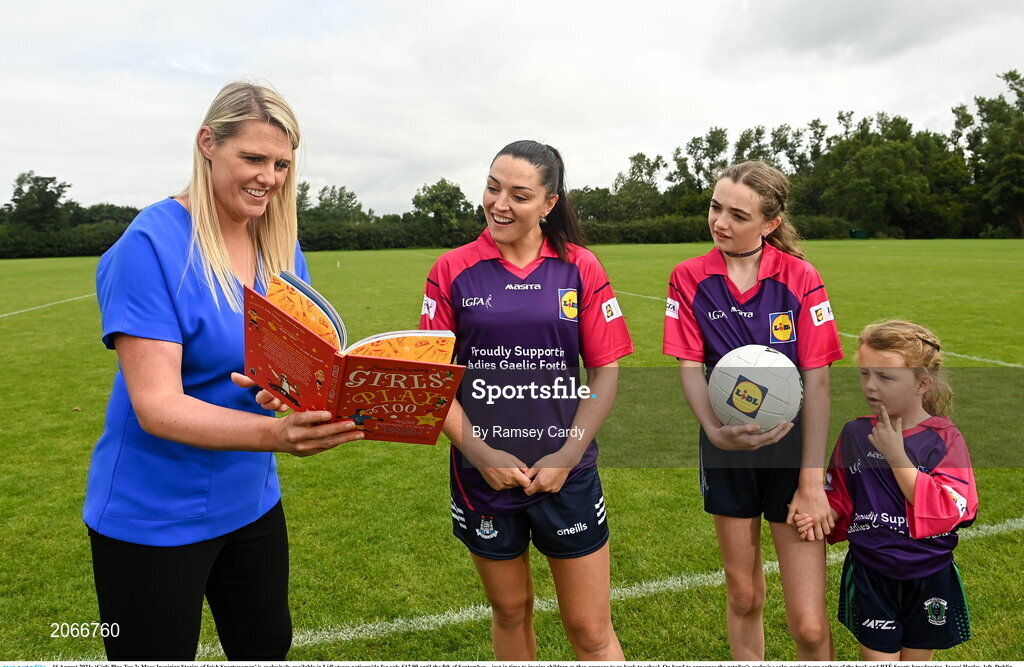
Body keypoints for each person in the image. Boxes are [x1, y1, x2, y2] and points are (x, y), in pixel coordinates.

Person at [84, 81, 364, 660]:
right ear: (207, 143)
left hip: (252, 499)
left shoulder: (283, 249)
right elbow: (156, 405)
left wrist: (296, 397)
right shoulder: (151, 244)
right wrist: (275, 434)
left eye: (282, 163)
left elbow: (287, 369)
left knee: (265, 647)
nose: (269, 176)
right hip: (153, 513)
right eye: (253, 158)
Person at [420, 140, 633, 660]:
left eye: (518, 194)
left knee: (589, 629)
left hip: (568, 474)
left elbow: (605, 371)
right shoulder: (451, 270)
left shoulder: (580, 267)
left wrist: (567, 453)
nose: (499, 204)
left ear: (549, 203)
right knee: (511, 610)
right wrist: (480, 453)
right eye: (493, 188)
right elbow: (432, 379)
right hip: (484, 477)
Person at [662, 161, 842, 660]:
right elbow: (690, 367)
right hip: (727, 451)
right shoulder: (688, 277)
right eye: (716, 207)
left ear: (769, 224)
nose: (720, 222)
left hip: (794, 453)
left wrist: (811, 481)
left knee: (807, 624)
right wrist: (715, 433)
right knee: (744, 596)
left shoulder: (801, 277)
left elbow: (819, 380)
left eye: (737, 215)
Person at [794, 320, 977, 661]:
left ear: (922, 383)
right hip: (871, 572)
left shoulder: (944, 439)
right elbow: (841, 495)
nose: (870, 386)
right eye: (865, 374)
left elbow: (952, 510)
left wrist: (896, 456)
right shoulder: (854, 435)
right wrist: (824, 513)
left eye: (885, 377)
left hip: (928, 573)